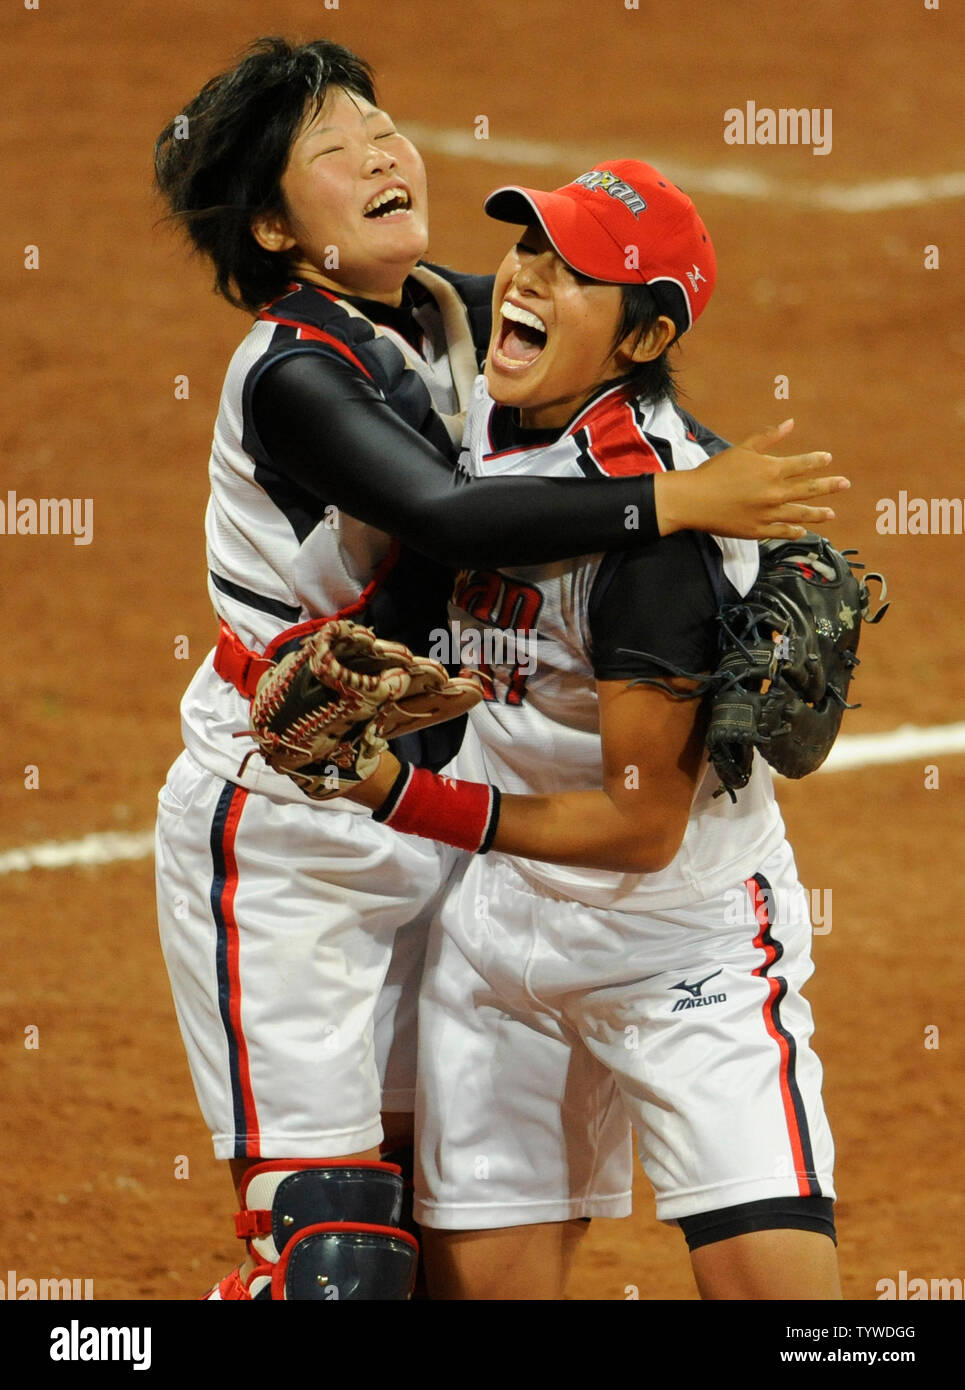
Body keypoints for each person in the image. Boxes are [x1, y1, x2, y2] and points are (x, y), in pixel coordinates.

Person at [152, 36, 847, 1300]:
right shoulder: (319, 369)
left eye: (381, 129)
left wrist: (736, 524)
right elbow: (458, 519)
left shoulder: (446, 319)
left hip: (530, 869)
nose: (521, 276)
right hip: (317, 813)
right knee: (346, 1254)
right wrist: (680, 497)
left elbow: (619, 385)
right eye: (333, 150)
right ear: (279, 227)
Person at [346, 162, 842, 1301]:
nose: (524, 277)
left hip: (677, 949)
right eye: (527, 247)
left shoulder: (652, 556)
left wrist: (399, 794)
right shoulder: (494, 379)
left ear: (640, 338)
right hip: (498, 934)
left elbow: (636, 827)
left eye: (573, 272)